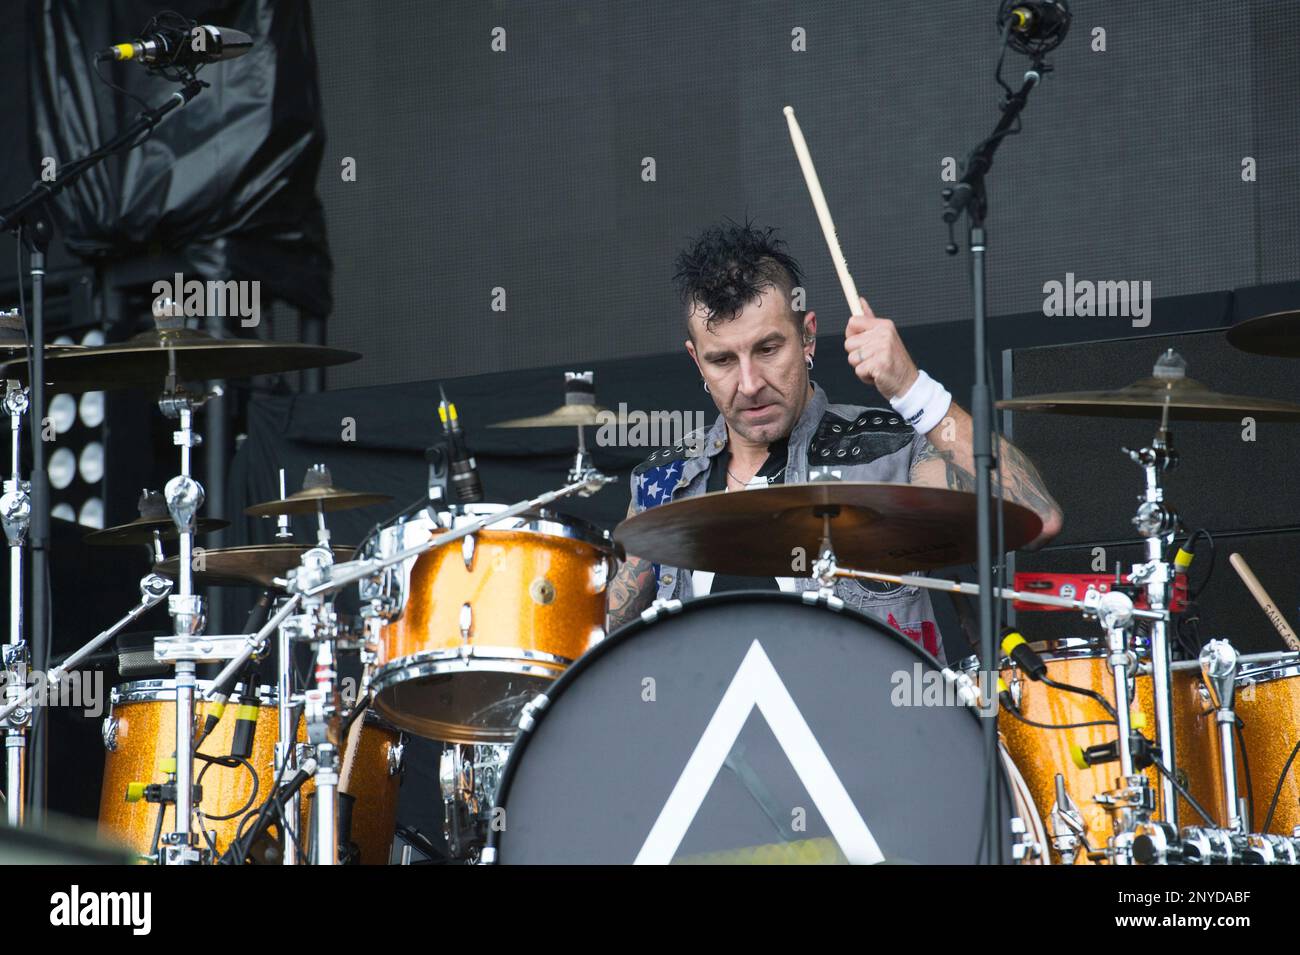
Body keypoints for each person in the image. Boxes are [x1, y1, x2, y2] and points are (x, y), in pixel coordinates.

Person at [606, 221, 1063, 661]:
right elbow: (596, 640)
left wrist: (911, 387)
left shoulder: (891, 451)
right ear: (696, 361)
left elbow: (1039, 520)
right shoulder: (663, 482)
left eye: (768, 349)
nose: (748, 383)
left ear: (807, 337)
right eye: (723, 359)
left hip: (871, 732)